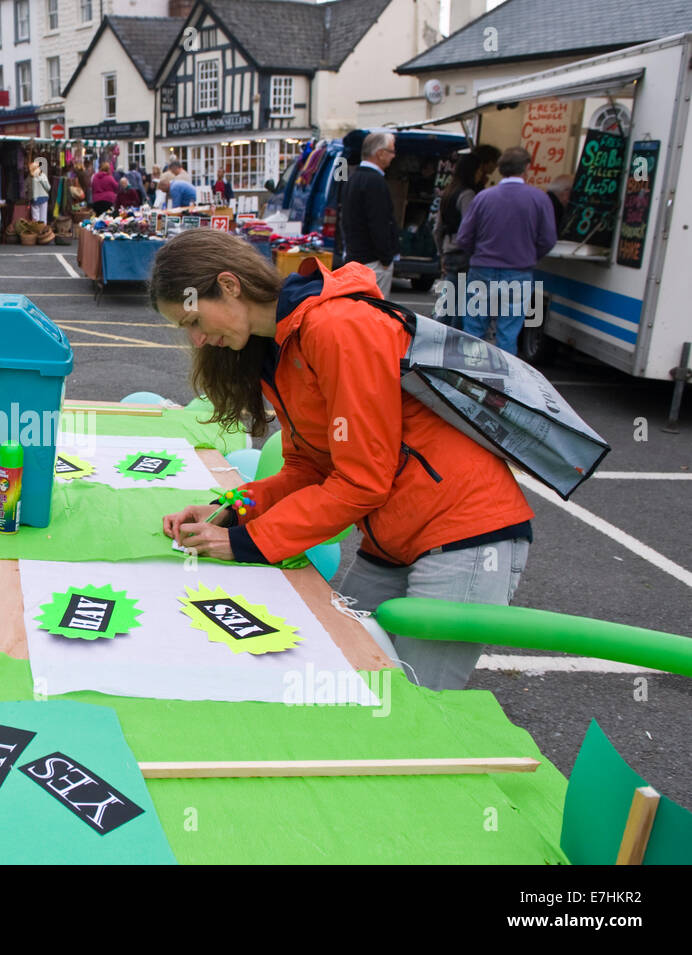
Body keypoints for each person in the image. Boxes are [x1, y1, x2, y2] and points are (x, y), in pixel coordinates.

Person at [151, 229, 534, 690]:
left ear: (230, 286)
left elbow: (360, 482)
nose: (196, 339)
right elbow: (307, 470)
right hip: (394, 534)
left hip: (466, 533)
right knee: (345, 672)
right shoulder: (280, 343)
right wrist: (233, 508)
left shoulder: (337, 327)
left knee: (415, 705)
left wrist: (245, 543)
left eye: (192, 320)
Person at [452, 146, 557, 355]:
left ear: (500, 169)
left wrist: (479, 252)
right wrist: (530, 254)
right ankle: (503, 381)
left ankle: (470, 376)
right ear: (527, 168)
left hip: (482, 268)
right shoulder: (539, 199)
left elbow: (463, 238)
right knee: (508, 332)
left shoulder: (483, 198)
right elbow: (548, 239)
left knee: (473, 328)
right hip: (518, 271)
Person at [340, 131, 400, 295]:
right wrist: (386, 257)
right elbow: (379, 222)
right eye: (391, 151)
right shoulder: (376, 182)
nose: (393, 156)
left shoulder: (352, 179)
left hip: (355, 256)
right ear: (380, 153)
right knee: (376, 311)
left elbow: (345, 220)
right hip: (373, 261)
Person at [432, 152, 482, 325]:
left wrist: (441, 253)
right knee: (462, 305)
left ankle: (440, 336)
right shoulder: (468, 194)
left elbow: (437, 228)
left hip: (449, 250)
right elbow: (470, 227)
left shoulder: (448, 193)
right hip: (464, 253)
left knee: (449, 301)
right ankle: (453, 341)